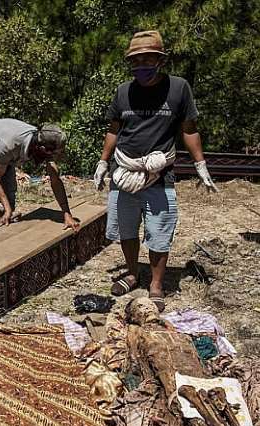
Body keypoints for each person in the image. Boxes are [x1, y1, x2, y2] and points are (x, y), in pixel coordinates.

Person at [93, 30, 218, 312]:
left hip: (159, 175)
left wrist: (200, 164)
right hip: (124, 172)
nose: (142, 66)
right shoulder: (123, 92)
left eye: (148, 59)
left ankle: (157, 285)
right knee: (126, 228)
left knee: (159, 231)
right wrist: (103, 162)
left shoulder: (178, 88)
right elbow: (114, 130)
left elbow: (189, 129)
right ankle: (132, 274)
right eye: (136, 61)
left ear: (160, 60)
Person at [0, 119, 80, 236]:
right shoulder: (10, 145)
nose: (56, 157)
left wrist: (67, 214)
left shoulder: (41, 142)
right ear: (43, 149)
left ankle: (1, 230)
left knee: (10, 190)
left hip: (1, 146)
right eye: (55, 153)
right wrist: (8, 209)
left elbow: (55, 180)